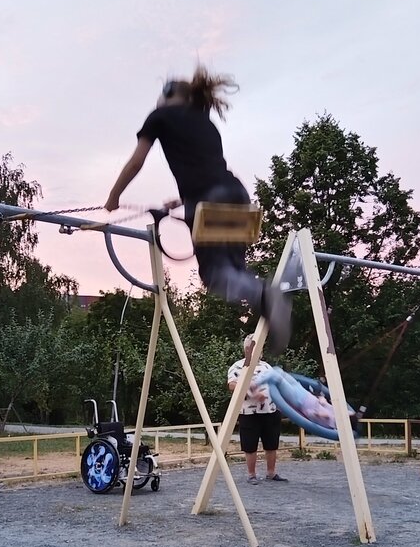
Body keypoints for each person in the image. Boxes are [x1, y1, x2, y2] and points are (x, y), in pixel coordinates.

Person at [104, 65, 291, 354]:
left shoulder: (159, 117)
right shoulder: (206, 123)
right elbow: (207, 168)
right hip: (237, 196)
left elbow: (136, 162)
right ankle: (263, 298)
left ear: (167, 93)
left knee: (215, 275)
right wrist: (180, 201)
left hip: (210, 201)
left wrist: (113, 196)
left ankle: (264, 294)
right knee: (234, 271)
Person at [227, 334, 288, 484]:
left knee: (272, 443)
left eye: (260, 347)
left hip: (270, 411)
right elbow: (232, 385)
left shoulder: (266, 366)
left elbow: (276, 385)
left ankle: (271, 473)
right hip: (249, 413)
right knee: (250, 445)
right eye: (255, 347)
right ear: (247, 349)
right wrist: (252, 393)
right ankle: (251, 475)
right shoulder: (237, 366)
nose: (258, 351)